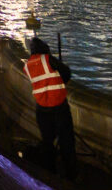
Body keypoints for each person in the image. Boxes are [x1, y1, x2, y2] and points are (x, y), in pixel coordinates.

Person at [24, 37, 77, 178]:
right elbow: (66, 73)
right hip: (59, 107)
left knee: (47, 142)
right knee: (67, 142)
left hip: (42, 109)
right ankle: (70, 175)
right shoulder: (48, 59)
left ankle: (50, 172)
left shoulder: (27, 66)